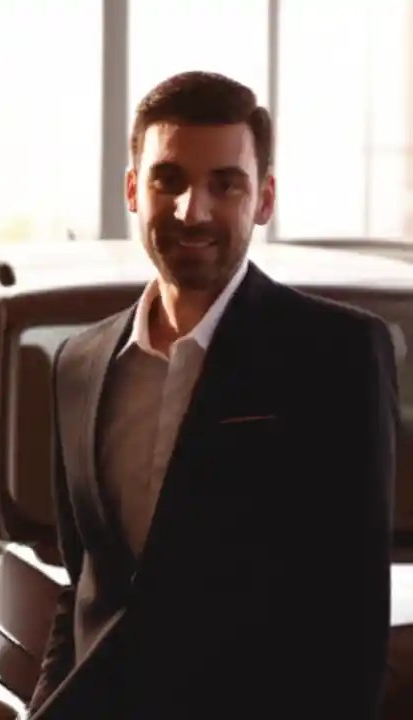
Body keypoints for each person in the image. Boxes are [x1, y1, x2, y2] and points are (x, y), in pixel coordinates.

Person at [27, 71, 398, 719]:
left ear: (264, 198)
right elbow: (85, 582)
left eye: (225, 183)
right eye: (168, 178)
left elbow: (355, 609)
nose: (191, 210)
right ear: (132, 189)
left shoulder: (336, 354)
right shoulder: (79, 364)